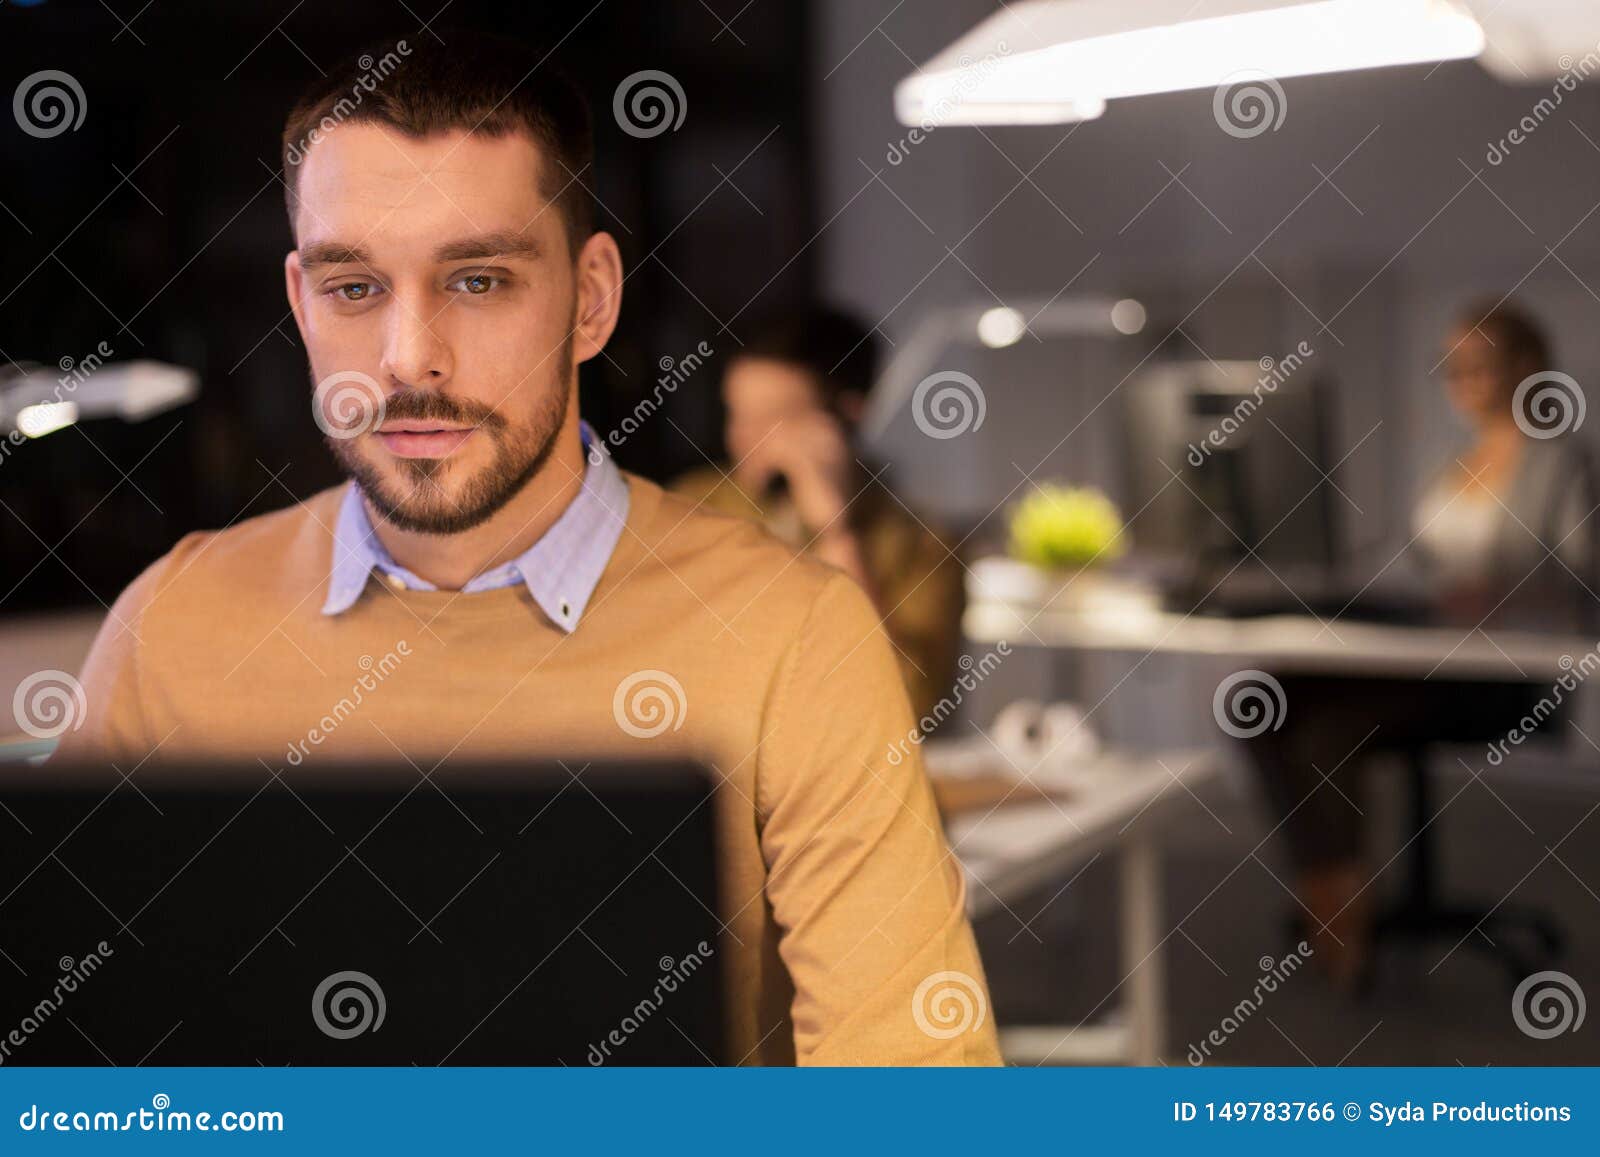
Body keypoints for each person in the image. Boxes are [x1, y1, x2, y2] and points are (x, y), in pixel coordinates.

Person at [51, 33, 999, 1067]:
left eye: (478, 280)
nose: (410, 358)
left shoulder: (793, 635)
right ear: (300, 303)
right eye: (354, 287)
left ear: (590, 298)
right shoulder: (171, 626)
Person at [1248, 301, 1596, 988]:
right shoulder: (1454, 462)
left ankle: (1343, 908)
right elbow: (1422, 562)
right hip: (1425, 654)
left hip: (1501, 680)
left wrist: (1500, 597)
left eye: (1478, 364)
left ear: (1523, 368)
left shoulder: (1561, 462)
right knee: (1270, 695)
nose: (1460, 379)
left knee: (1329, 722)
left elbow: (1586, 584)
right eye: (1452, 365)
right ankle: (1330, 877)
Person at [673, 308, 964, 720]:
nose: (743, 438)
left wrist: (838, 536)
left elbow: (906, 706)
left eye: (774, 416)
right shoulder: (689, 509)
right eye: (737, 413)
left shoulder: (924, 545)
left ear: (846, 414)